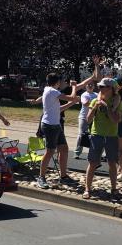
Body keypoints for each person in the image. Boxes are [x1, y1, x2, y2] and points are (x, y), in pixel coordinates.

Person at [37, 59, 99, 189]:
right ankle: (41, 177)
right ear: (57, 82)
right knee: (49, 151)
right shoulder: (52, 91)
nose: (62, 83)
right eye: (61, 82)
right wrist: (75, 88)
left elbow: (58, 109)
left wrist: (72, 102)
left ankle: (63, 176)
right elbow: (71, 96)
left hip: (56, 125)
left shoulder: (49, 91)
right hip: (49, 126)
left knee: (64, 149)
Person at [83, 77, 122, 200]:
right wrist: (95, 107)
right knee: (93, 163)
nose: (99, 88)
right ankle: (87, 189)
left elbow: (117, 120)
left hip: (111, 136)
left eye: (102, 87)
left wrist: (107, 109)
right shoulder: (95, 100)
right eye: (99, 86)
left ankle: (114, 188)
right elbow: (88, 120)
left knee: (112, 163)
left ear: (111, 89)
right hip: (97, 135)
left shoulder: (118, 102)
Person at [74, 80, 97, 159]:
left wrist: (93, 102)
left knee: (93, 136)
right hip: (83, 117)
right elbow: (85, 103)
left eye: (91, 85)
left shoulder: (96, 95)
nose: (90, 86)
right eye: (88, 85)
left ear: (94, 86)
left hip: (93, 118)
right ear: (85, 87)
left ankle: (91, 154)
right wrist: (95, 103)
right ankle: (77, 153)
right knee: (81, 135)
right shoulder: (84, 94)